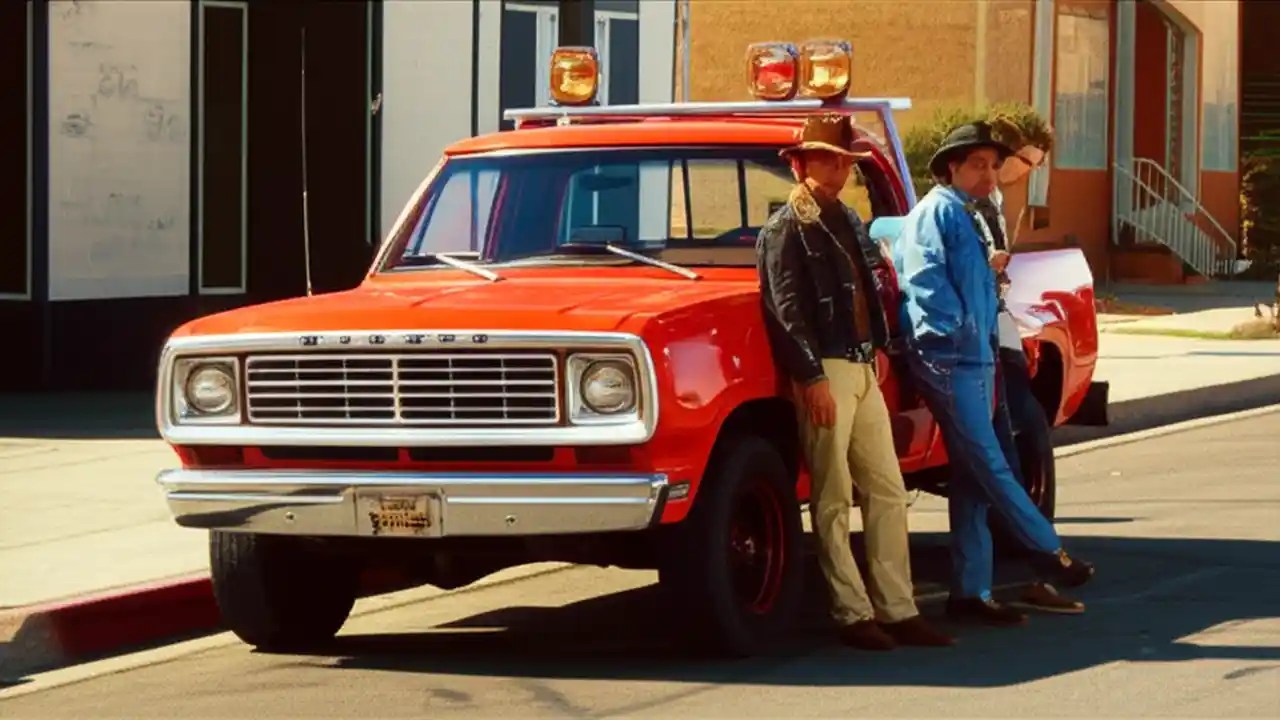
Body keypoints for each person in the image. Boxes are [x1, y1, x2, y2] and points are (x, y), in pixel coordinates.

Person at [756, 114, 954, 651]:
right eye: (826, 158)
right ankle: (851, 612)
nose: (838, 169)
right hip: (826, 368)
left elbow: (868, 288)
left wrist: (880, 349)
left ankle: (897, 608)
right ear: (798, 164)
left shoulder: (843, 216)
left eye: (843, 160)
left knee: (886, 488)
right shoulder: (785, 229)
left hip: (860, 365)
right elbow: (786, 311)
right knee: (833, 495)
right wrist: (811, 377)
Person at [891, 121, 1096, 627]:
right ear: (951, 168)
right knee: (989, 461)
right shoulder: (934, 213)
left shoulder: (970, 213)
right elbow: (924, 288)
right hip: (951, 360)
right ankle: (1047, 550)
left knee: (972, 477)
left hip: (977, 357)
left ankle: (971, 591)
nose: (990, 174)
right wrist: (960, 339)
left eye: (993, 164)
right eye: (978, 164)